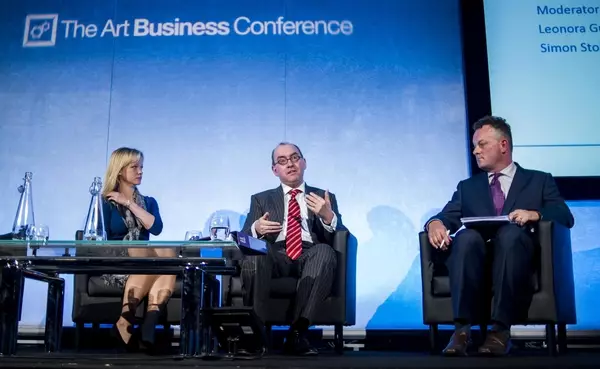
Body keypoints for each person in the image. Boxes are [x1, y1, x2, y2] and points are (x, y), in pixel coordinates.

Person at [425, 116, 574, 356]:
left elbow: (564, 215)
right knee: (466, 238)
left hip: (518, 256)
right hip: (477, 257)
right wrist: (435, 223)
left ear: (503, 145)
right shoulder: (468, 187)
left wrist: (534, 213)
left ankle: (500, 330)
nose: (475, 151)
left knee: (510, 234)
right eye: (475, 146)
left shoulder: (538, 180)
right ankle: (462, 330)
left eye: (482, 144)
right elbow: (448, 215)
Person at [240, 142, 343, 356]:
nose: (290, 164)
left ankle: (297, 333)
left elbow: (340, 233)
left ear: (304, 163)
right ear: (274, 169)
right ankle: (256, 334)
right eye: (282, 161)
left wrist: (327, 216)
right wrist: (256, 228)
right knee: (256, 255)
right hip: (274, 254)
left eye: (295, 158)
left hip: (310, 253)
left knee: (324, 251)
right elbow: (244, 238)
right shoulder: (261, 199)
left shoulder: (323, 197)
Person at [100, 147, 167, 352]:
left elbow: (155, 228)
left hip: (145, 261)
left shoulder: (148, 202)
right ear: (120, 170)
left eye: (142, 167)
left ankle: (140, 323)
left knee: (168, 252)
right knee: (146, 251)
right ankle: (138, 322)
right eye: (134, 167)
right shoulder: (105, 202)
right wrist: (119, 202)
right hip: (117, 261)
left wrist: (128, 203)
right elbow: (101, 235)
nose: (140, 171)